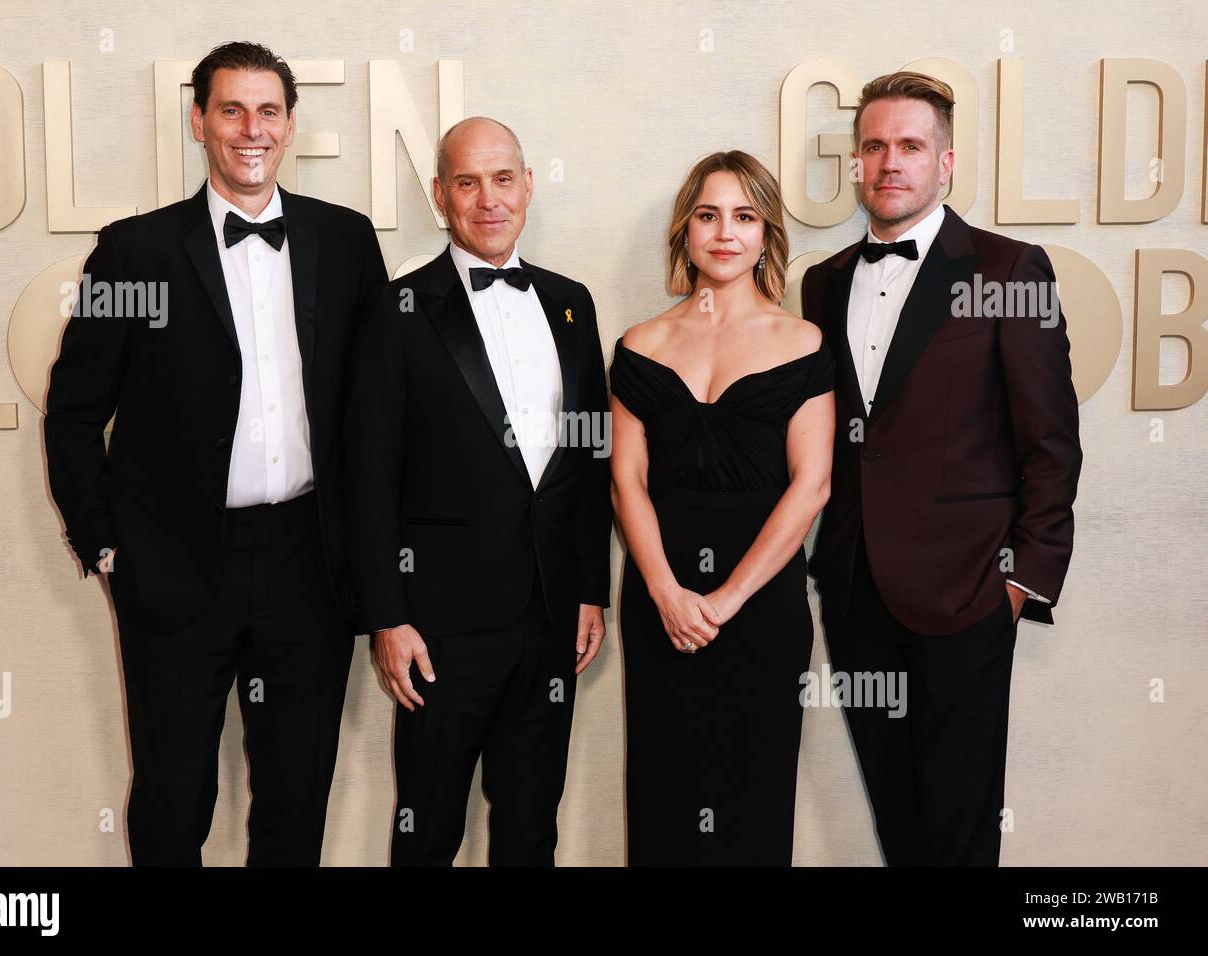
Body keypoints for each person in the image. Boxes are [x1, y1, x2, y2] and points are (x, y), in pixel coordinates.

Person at [43, 41, 388, 865]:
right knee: (171, 800)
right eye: (230, 109)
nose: (250, 129)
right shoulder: (136, 252)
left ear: (290, 125)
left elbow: (381, 414)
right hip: (173, 566)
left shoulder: (346, 243)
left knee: (295, 804)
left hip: (310, 563)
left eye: (267, 111)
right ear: (199, 121)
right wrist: (105, 544)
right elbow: (74, 410)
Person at [800, 72, 1083, 866]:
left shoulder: (1007, 269)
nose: (891, 162)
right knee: (897, 820)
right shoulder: (821, 285)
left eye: (911, 147)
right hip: (855, 589)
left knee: (957, 830)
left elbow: (1051, 442)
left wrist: (1024, 579)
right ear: (857, 162)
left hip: (968, 591)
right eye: (876, 146)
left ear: (946, 161)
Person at [344, 116, 612, 866]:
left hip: (552, 616)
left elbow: (589, 458)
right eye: (467, 182)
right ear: (440, 195)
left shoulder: (572, 302)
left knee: (531, 829)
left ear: (528, 186)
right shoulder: (397, 311)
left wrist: (592, 587)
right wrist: (387, 619)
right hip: (439, 629)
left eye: (502, 179)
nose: (488, 200)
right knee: (426, 829)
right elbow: (368, 476)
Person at [609, 150, 835, 865]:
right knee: (664, 788)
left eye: (744, 216)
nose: (725, 233)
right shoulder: (640, 345)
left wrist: (728, 598)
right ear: (685, 230)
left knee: (754, 792)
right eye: (708, 215)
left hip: (761, 611)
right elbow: (626, 484)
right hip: (659, 604)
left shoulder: (803, 343)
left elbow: (814, 485)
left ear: (766, 233)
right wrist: (668, 594)